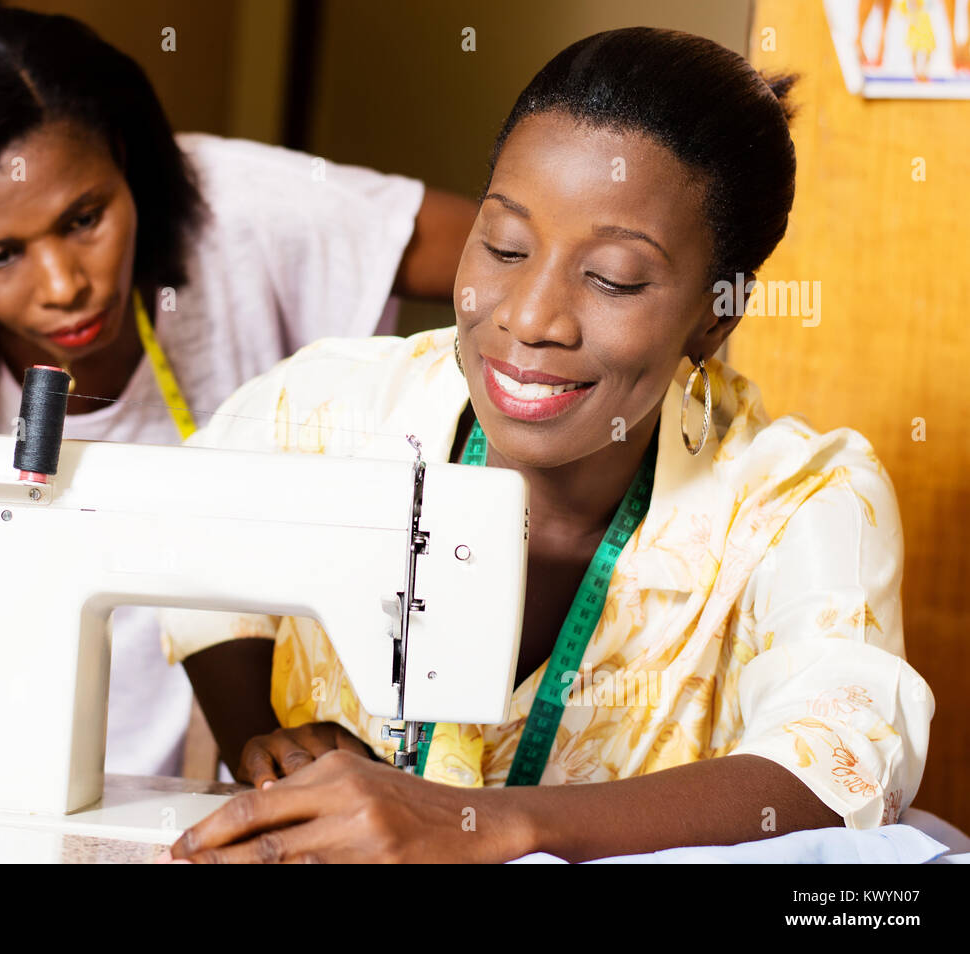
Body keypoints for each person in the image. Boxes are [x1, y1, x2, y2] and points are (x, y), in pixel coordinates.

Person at [159, 27, 934, 863]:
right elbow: (190, 566)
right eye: (504, 247)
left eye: (612, 278)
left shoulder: (800, 498)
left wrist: (478, 825)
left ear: (716, 314)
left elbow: (840, 761)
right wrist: (265, 741)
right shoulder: (326, 408)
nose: (528, 318)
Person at [0, 6, 475, 778]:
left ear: (121, 156)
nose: (65, 286)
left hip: (237, 745)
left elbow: (510, 265)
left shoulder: (244, 211)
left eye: (85, 218)